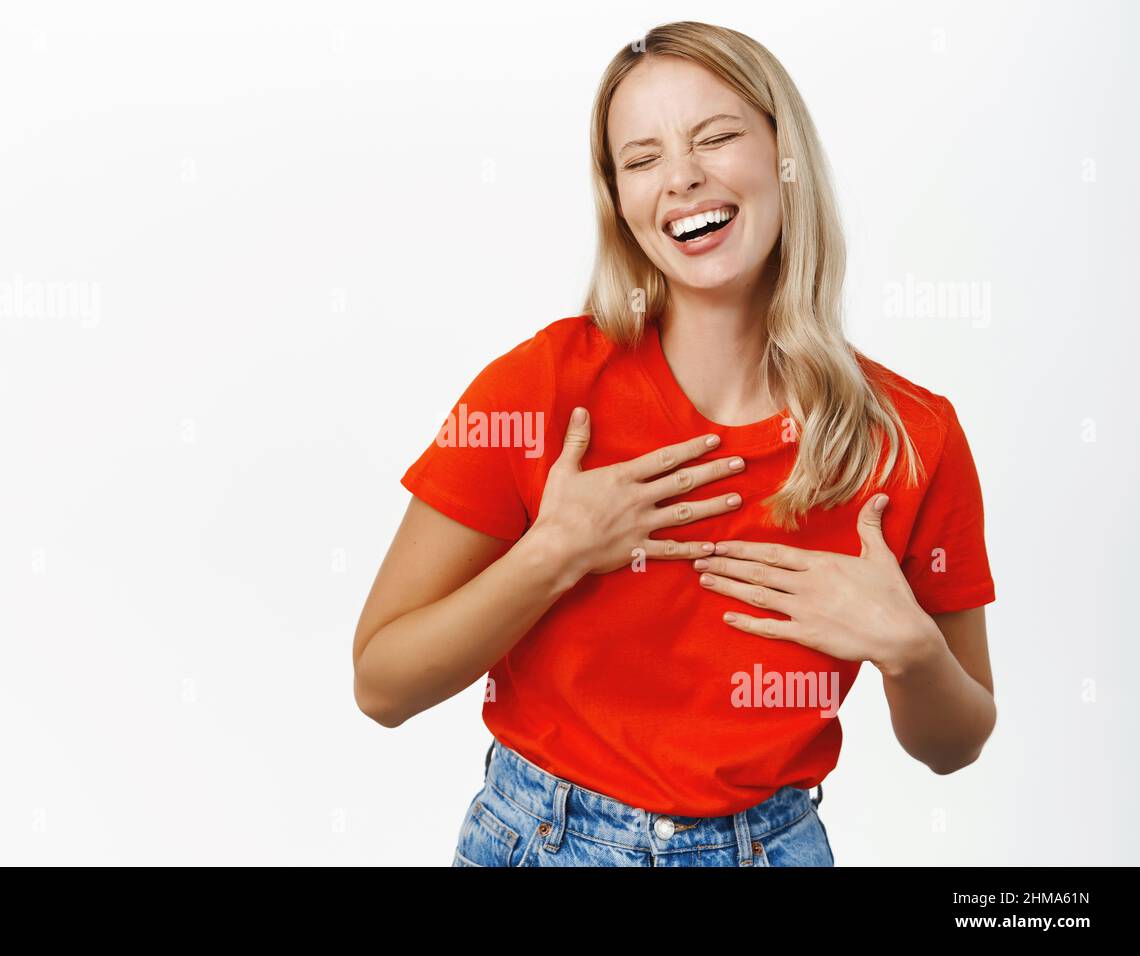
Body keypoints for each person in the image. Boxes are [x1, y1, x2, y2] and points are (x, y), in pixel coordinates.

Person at [352, 20, 997, 867]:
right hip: (543, 839)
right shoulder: (543, 391)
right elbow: (382, 685)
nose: (683, 176)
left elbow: (955, 744)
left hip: (772, 847)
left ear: (784, 156)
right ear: (619, 200)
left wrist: (909, 651)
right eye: (642, 158)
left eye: (717, 136)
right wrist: (555, 552)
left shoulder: (913, 438)